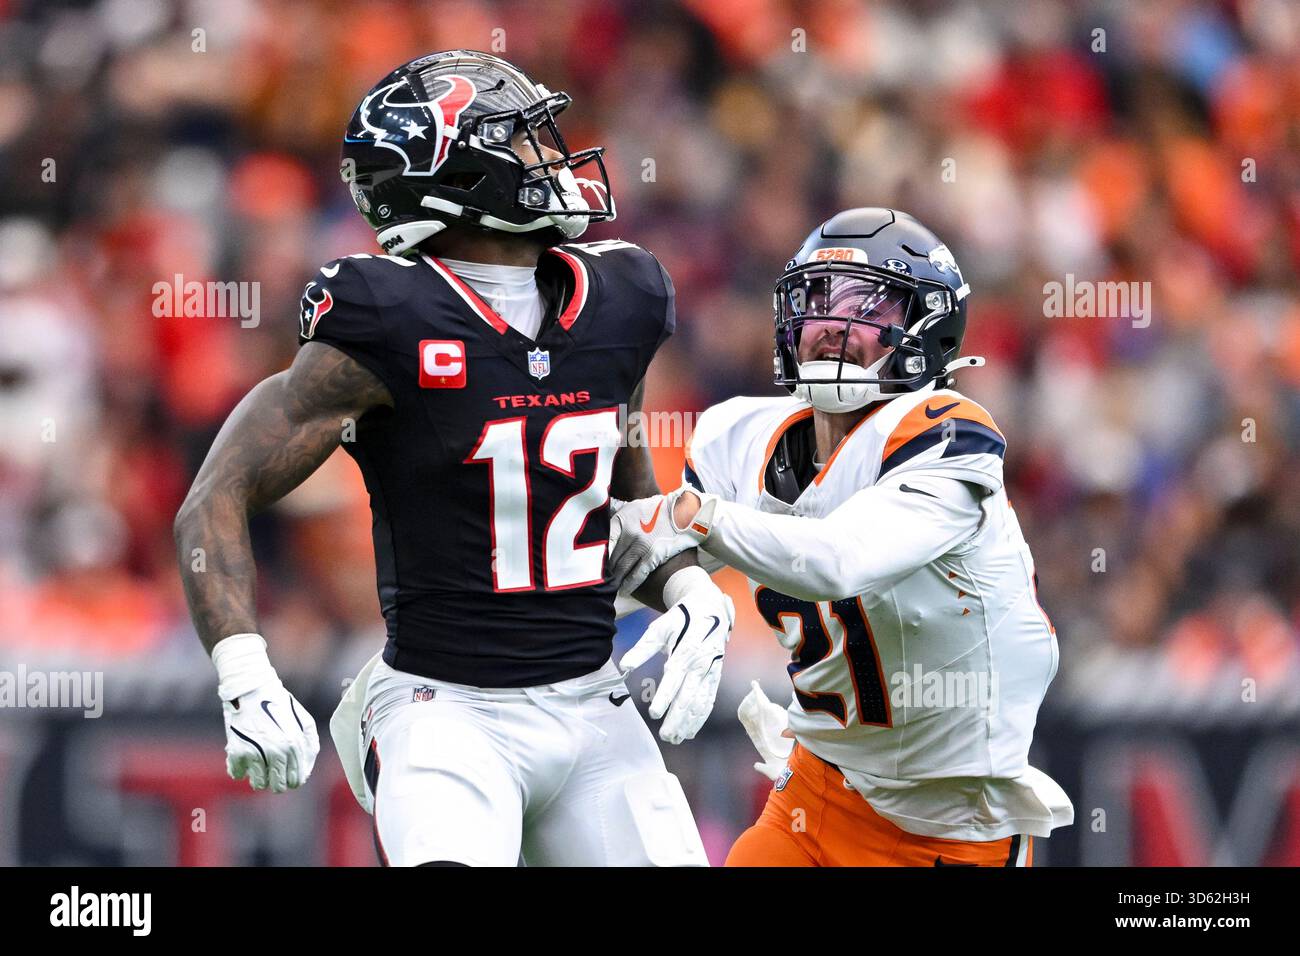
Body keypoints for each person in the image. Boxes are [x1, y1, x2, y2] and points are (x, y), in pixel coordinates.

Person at [174, 50, 732, 867]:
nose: (551, 158)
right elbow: (215, 497)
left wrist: (689, 588)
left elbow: (614, 514)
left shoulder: (621, 299)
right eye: (523, 140)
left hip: (594, 706)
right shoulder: (386, 316)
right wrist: (244, 672)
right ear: (456, 174)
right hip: (446, 712)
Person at [607, 208, 1073, 866]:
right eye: (817, 302)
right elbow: (646, 559)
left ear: (927, 328)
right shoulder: (737, 437)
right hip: (815, 798)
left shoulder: (946, 433)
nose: (833, 326)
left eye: (868, 308)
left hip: (953, 832)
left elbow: (838, 559)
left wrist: (690, 514)